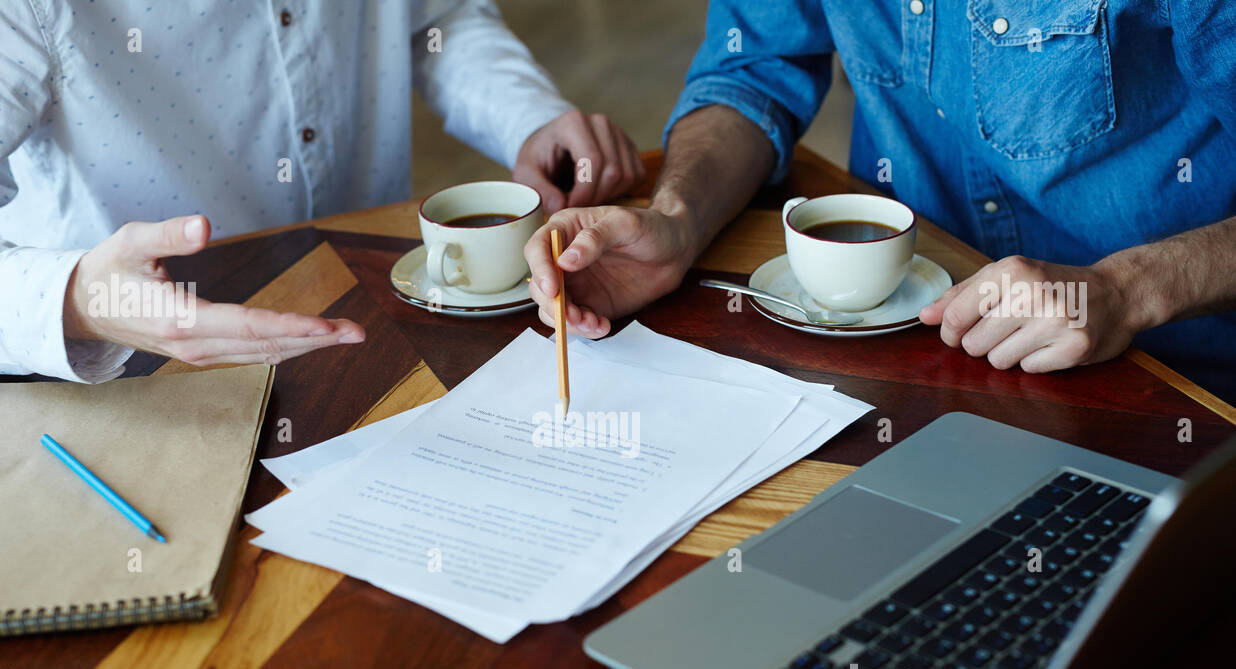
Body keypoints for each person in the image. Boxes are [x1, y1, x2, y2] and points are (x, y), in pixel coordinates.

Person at [525, 0, 1236, 402]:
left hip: (1168, 385)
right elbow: (754, 70)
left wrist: (1123, 290)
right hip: (903, 362)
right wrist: (677, 219)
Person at [0, 0, 643, 381]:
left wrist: (526, 117)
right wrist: (83, 299)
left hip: (378, 342)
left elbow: (436, 20)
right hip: (143, 391)